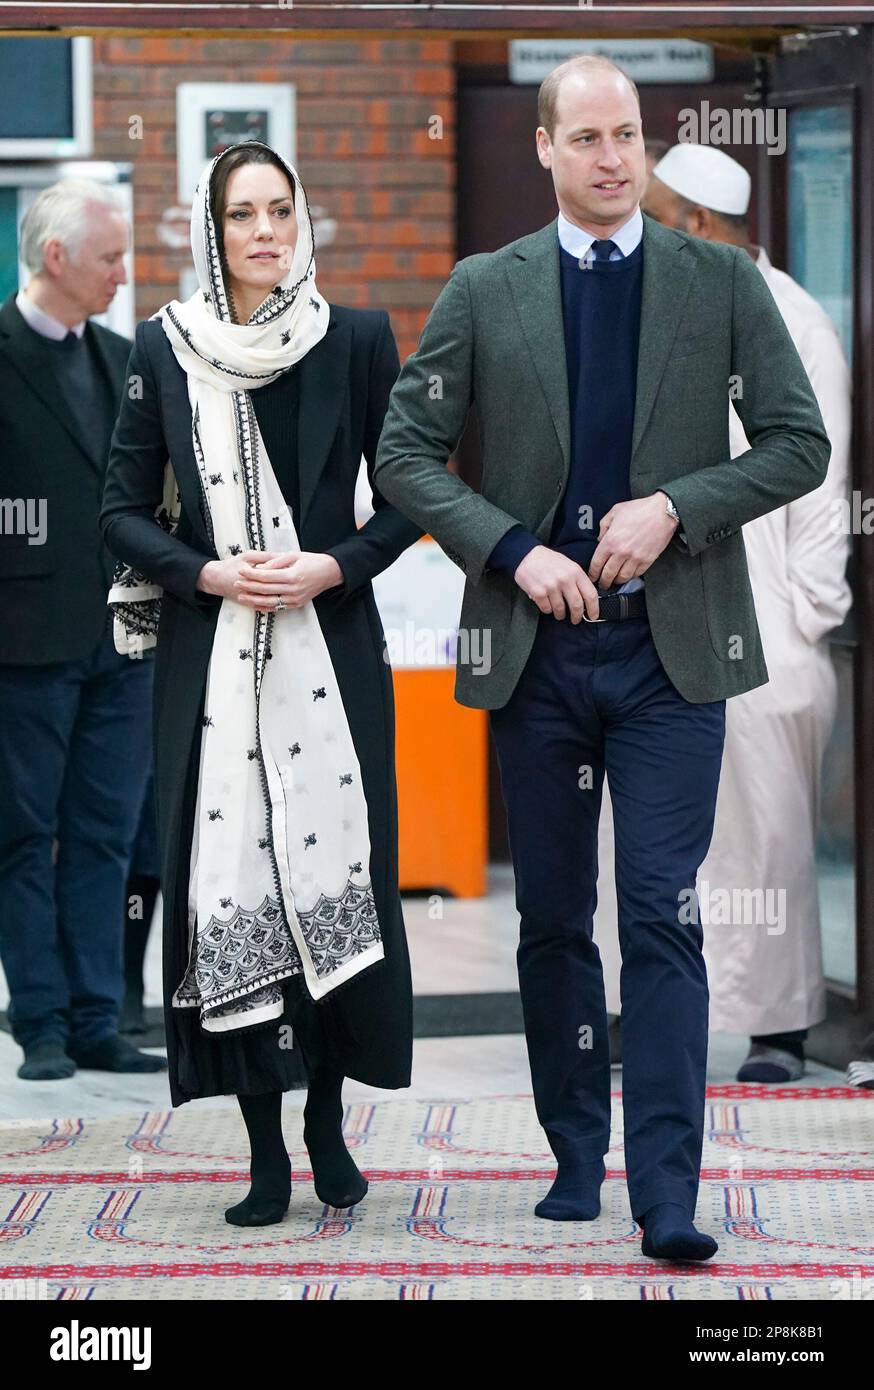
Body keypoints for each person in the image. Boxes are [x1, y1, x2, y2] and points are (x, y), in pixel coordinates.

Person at [373, 56, 830, 1262]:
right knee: (555, 919)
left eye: (627, 134)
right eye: (585, 138)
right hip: (536, 655)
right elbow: (405, 457)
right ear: (545, 150)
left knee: (662, 914)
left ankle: (666, 1191)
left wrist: (677, 505)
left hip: (670, 656)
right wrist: (513, 551)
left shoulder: (719, 280)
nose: (612, 157)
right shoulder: (484, 287)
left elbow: (798, 444)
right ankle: (576, 1151)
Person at [99, 141, 422, 1227]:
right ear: (212, 229)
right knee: (232, 887)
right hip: (210, 672)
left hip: (332, 661)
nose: (265, 231)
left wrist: (334, 564)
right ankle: (262, 1149)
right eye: (242, 214)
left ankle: (327, 1117)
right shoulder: (166, 348)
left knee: (330, 879)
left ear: (301, 221)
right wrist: (204, 571)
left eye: (280, 210)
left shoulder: (357, 340)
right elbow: (119, 510)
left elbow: (411, 494)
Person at [594, 144, 852, 1085]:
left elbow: (823, 482)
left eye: (652, 207)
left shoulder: (792, 317)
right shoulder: (649, 298)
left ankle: (779, 1028)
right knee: (649, 826)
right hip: (661, 603)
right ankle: (640, 1015)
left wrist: (805, 616)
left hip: (768, 612)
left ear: (698, 223)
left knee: (766, 831)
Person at [0, 179, 166, 1082]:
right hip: (21, 644)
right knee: (23, 834)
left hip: (124, 642)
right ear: (56, 258)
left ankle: (101, 1016)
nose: (122, 272)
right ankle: (41, 1022)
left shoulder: (122, 356)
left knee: (107, 832)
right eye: (109, 258)